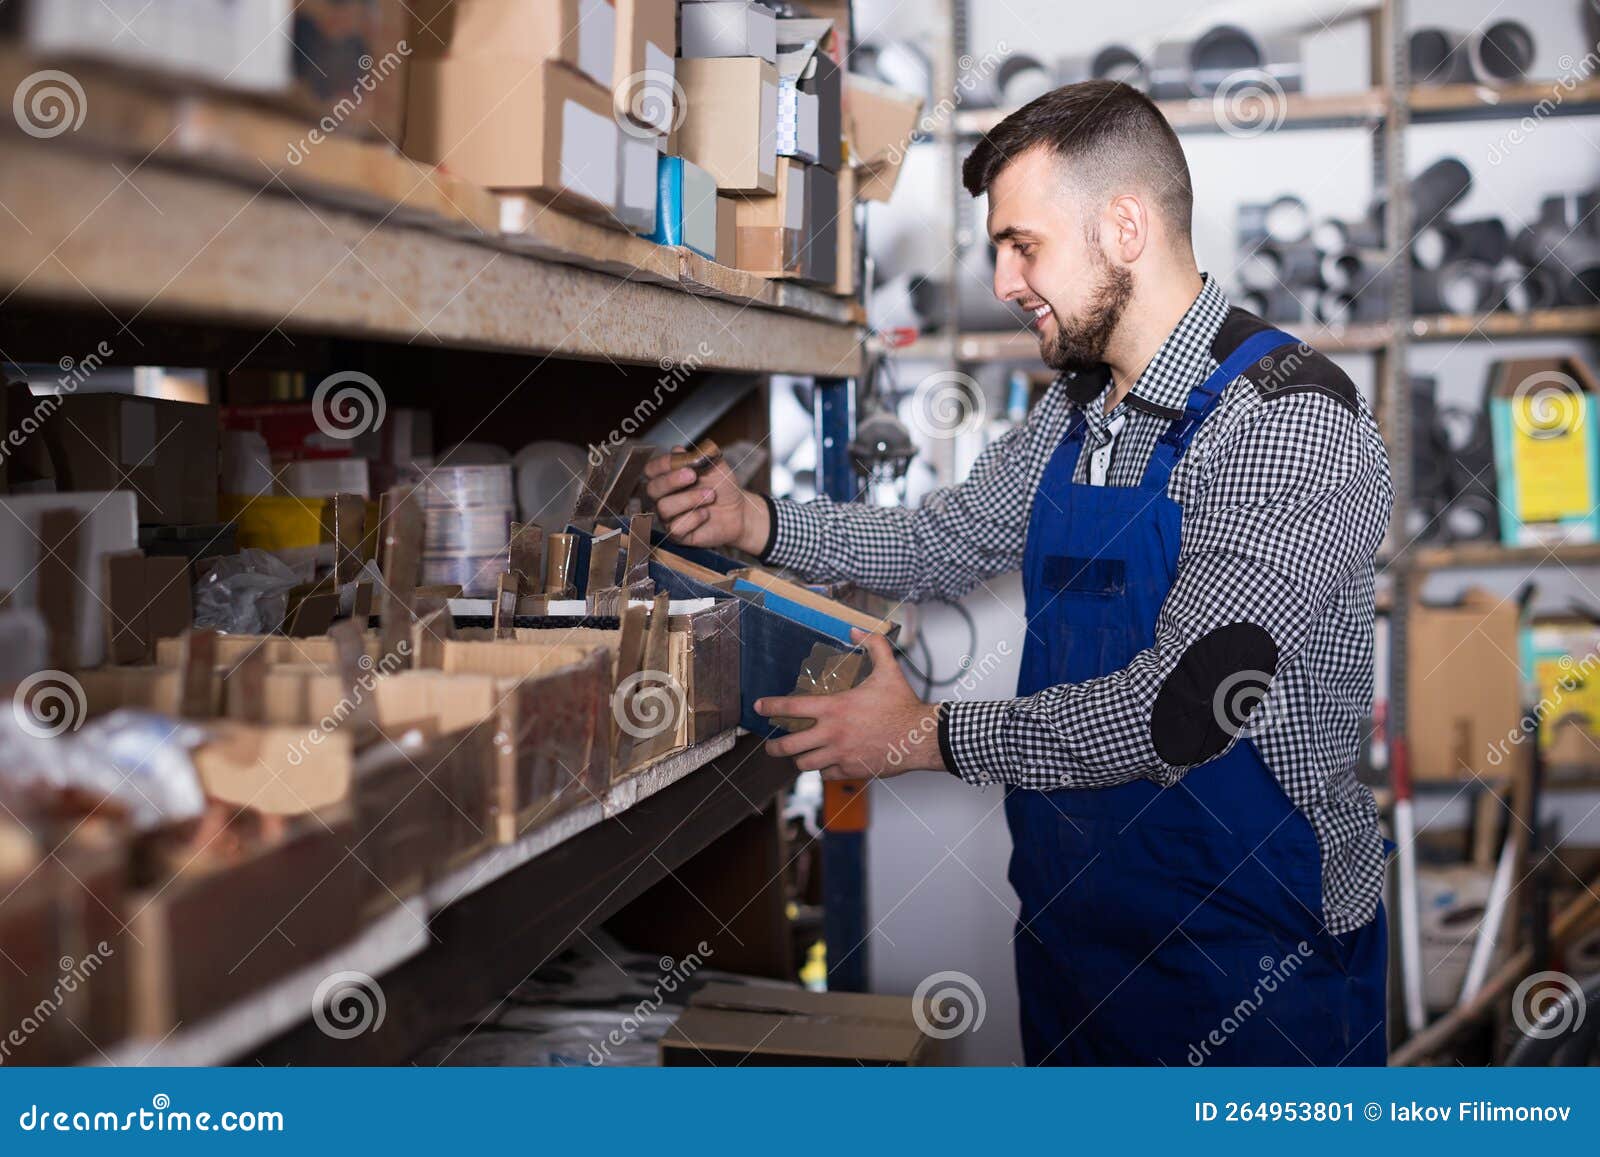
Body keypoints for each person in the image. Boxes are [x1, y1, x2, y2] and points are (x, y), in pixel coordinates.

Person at [643, 81, 1391, 1067]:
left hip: (1254, 962)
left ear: (1125, 225)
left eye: (1021, 243)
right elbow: (939, 541)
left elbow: (1186, 705)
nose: (1002, 278)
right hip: (1077, 942)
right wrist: (762, 522)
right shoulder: (1077, 411)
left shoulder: (1288, 423)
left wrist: (924, 734)